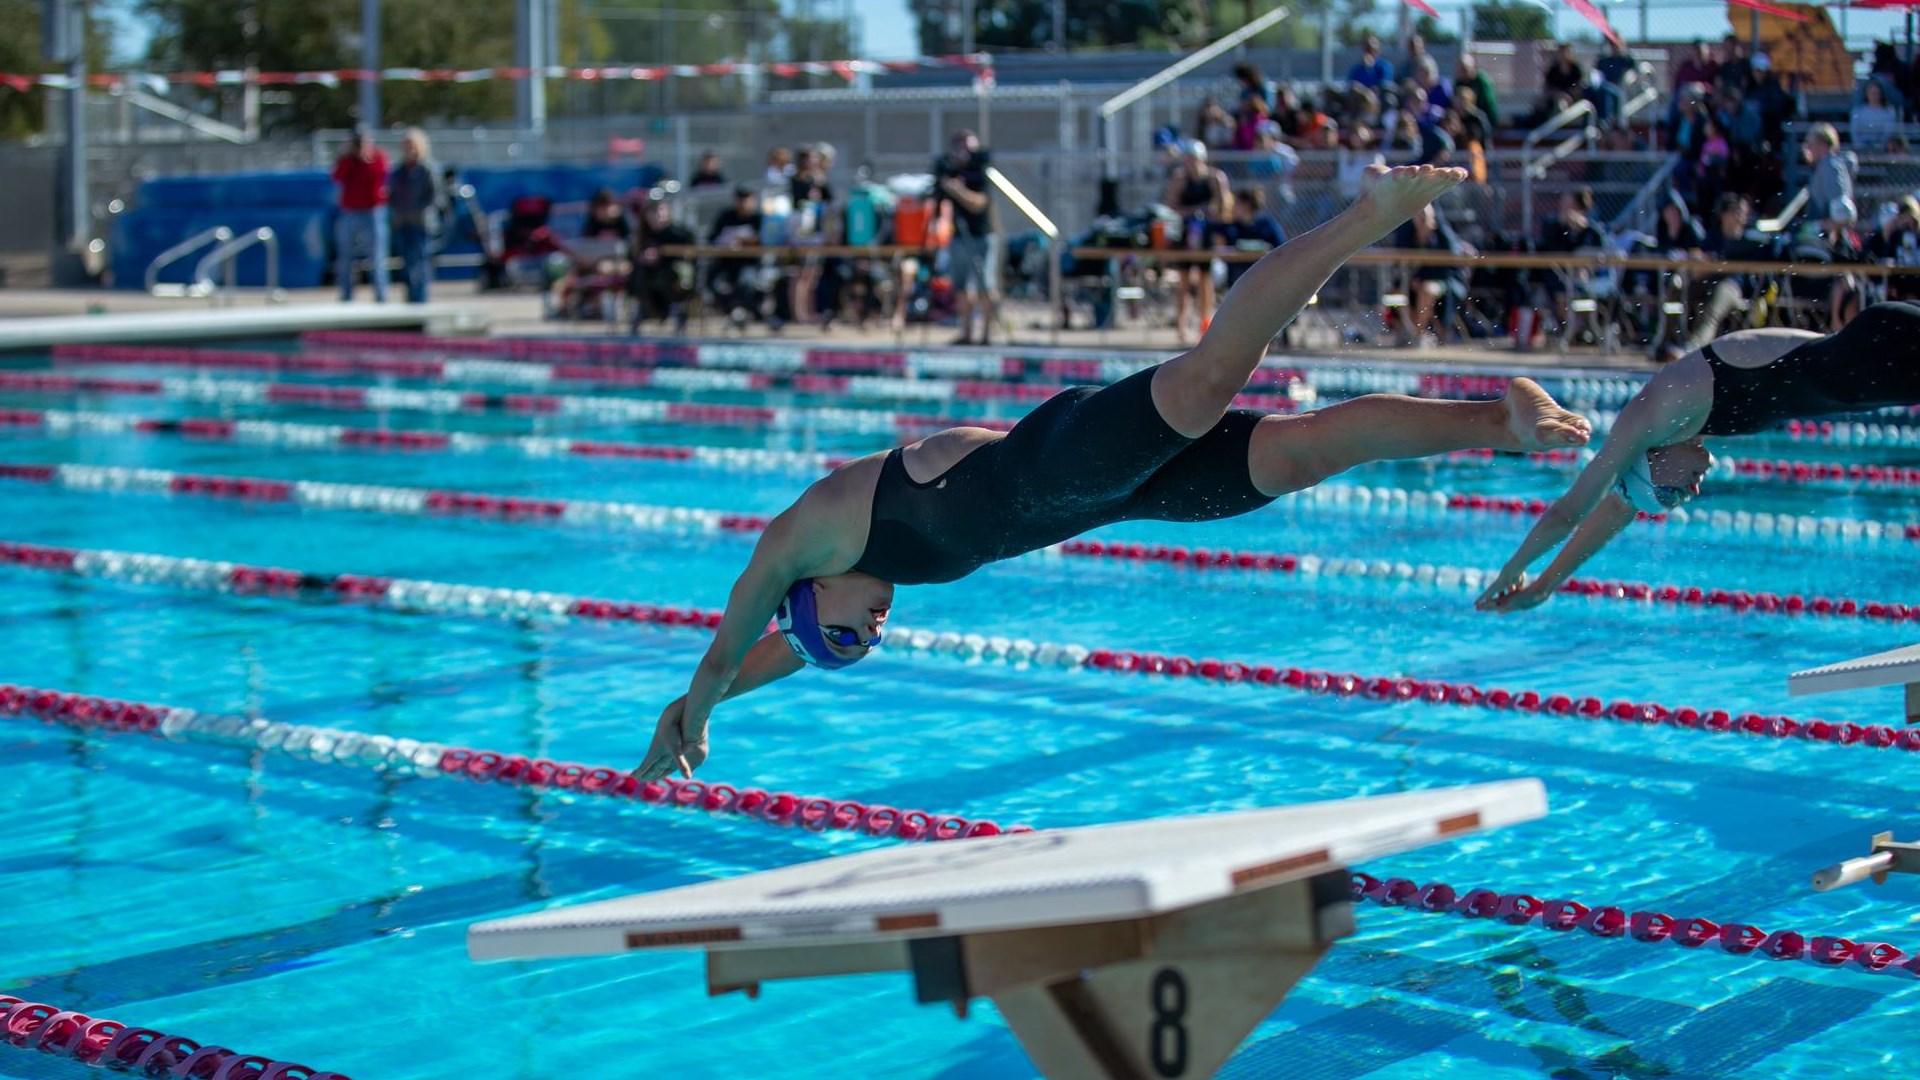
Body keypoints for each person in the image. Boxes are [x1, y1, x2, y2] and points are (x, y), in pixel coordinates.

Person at [633, 165, 1594, 782]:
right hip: (1105, 497)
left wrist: (699, 708)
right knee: (1302, 452)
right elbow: (778, 653)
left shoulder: (812, 532)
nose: (874, 632)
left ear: (811, 596)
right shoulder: (846, 582)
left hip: (1063, 463)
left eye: (851, 633)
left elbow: (731, 644)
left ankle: (1365, 215)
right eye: (862, 645)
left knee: (1211, 374)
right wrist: (690, 712)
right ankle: (1498, 418)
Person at [1477, 301, 1920, 613]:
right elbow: (1619, 508)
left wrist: (1512, 570)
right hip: (1884, 370)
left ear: (1649, 462)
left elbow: (1572, 510)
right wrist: (1544, 587)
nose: (1689, 492)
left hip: (1886, 349)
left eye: (1670, 492)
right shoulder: (1681, 428)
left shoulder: (1654, 412)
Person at [1163, 140, 1231, 345]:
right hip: (1186, 233)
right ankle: (1182, 326)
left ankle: (1205, 324)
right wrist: (1192, 212)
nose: (1191, 164)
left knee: (1205, 280)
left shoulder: (1214, 178)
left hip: (1205, 233)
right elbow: (1171, 205)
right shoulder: (1180, 178)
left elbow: (1224, 206)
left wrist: (1209, 213)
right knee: (1183, 281)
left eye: (1194, 159)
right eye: (1188, 159)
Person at [936, 130, 997, 346]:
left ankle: (987, 335)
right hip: (958, 235)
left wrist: (958, 190)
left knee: (984, 286)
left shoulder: (980, 172)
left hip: (981, 235)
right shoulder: (951, 171)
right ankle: (967, 333)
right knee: (961, 287)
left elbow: (979, 203)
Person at [331, 128, 390, 303]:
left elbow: (380, 176)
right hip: (350, 210)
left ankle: (381, 295)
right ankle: (346, 295)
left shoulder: (377, 157)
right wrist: (347, 158)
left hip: (373, 210)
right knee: (346, 254)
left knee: (377, 255)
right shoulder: (347, 160)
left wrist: (366, 160)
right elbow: (337, 177)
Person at [387, 127, 440, 305]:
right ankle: (411, 298)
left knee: (421, 260)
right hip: (402, 222)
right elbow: (391, 195)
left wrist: (417, 210)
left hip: (421, 223)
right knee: (407, 262)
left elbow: (435, 196)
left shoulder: (427, 169)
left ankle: (421, 298)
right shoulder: (398, 171)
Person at [628, 197, 696, 333]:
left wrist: (661, 254)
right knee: (638, 272)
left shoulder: (679, 232)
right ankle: (646, 310)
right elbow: (632, 254)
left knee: (672, 275)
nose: (657, 215)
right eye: (652, 212)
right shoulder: (642, 235)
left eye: (660, 210)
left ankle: (673, 311)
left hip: (674, 276)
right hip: (648, 279)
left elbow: (688, 254)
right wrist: (643, 257)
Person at [708, 184, 766, 329]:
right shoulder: (726, 217)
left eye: (747, 200)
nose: (744, 204)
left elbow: (767, 241)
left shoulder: (759, 219)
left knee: (747, 282)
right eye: (741, 200)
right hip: (726, 263)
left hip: (750, 263)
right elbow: (712, 238)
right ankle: (735, 312)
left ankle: (741, 313)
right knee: (714, 282)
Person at [1852, 80, 1900, 155]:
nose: (1874, 95)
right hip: (1861, 147)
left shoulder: (1889, 111)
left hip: (1882, 148)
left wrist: (1880, 144)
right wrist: (1859, 145)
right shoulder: (1858, 111)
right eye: (1871, 93)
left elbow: (1888, 131)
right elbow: (1853, 130)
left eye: (1876, 93)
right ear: (1866, 93)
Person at [1455, 54, 1500, 129]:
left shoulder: (1482, 82)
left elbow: (1489, 105)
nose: (1463, 73)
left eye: (1465, 69)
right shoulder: (1458, 83)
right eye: (1460, 70)